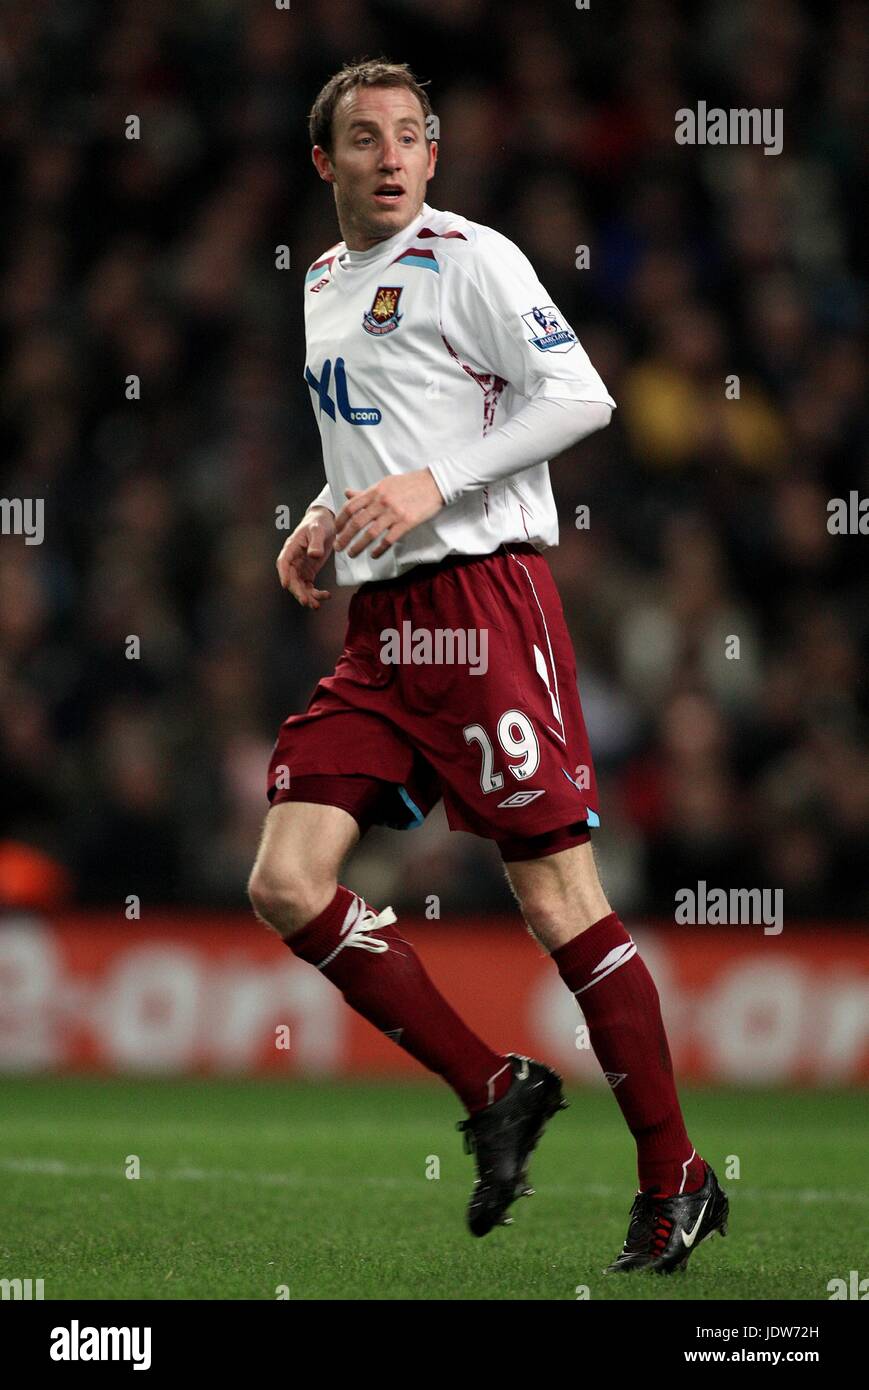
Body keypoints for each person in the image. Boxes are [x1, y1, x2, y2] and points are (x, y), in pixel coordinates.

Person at [248, 58, 728, 1272]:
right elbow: (383, 433)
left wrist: (429, 489)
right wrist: (321, 511)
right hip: (380, 633)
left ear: (434, 152)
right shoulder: (319, 280)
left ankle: (674, 1173)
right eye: (366, 139)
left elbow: (580, 397)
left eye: (411, 135)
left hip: (483, 610)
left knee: (556, 898)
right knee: (285, 880)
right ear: (327, 163)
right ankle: (495, 1082)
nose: (393, 155)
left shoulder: (470, 256)